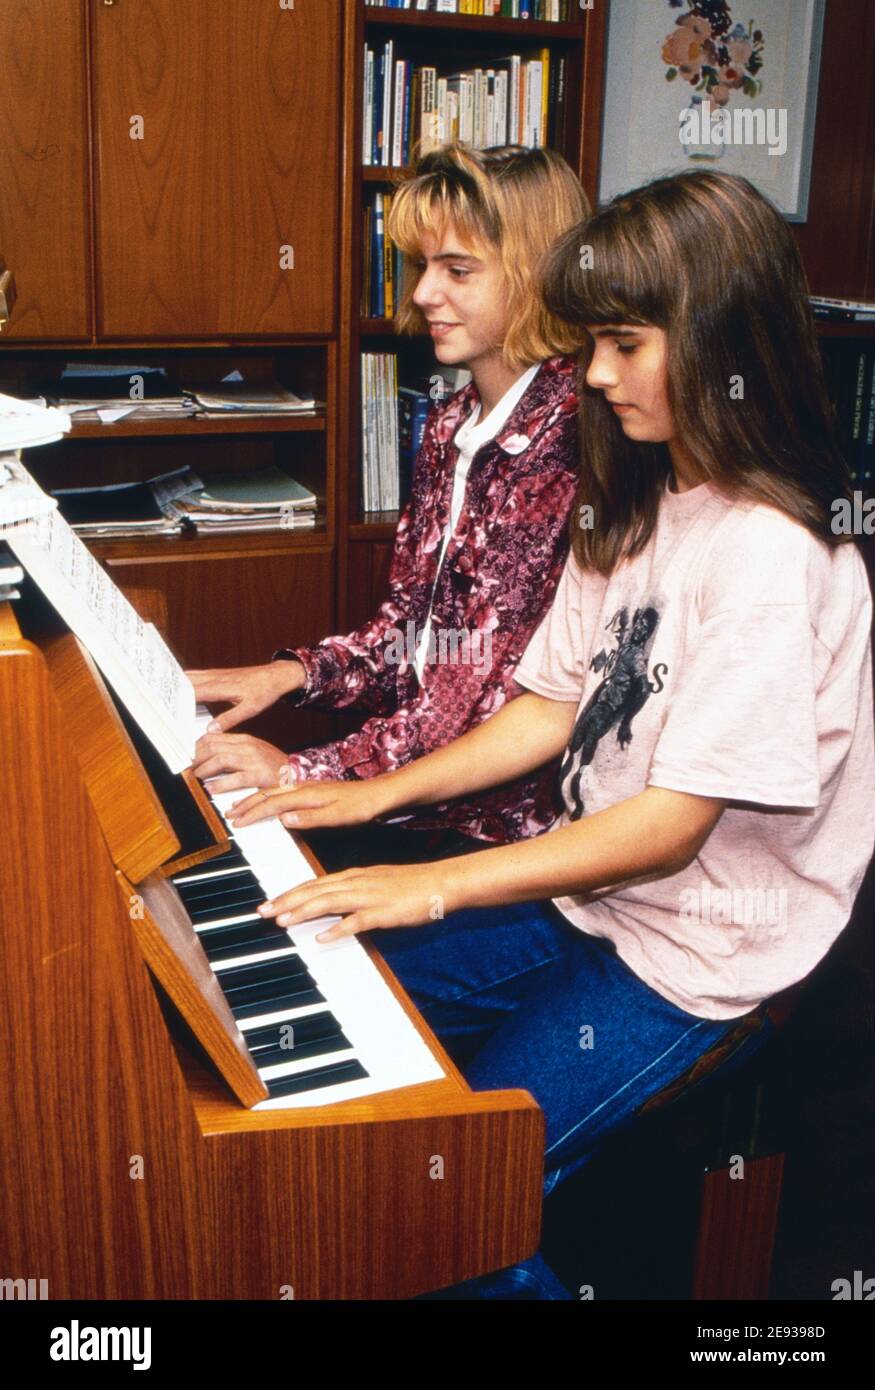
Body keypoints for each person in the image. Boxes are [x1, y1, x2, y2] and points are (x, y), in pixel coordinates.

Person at [223, 169, 875, 1299]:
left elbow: (667, 829)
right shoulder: (636, 498)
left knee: (439, 1202)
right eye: (590, 345)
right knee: (326, 1010)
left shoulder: (770, 554)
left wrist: (428, 886)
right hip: (598, 905)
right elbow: (549, 703)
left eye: (624, 343)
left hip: (703, 953)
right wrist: (362, 800)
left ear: (719, 337)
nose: (598, 374)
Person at [187, 143, 590, 870]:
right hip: (411, 790)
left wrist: (303, 773)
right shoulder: (448, 422)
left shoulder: (571, 439)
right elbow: (411, 634)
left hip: (505, 834)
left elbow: (479, 693)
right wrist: (289, 675)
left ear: (536, 273)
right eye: (422, 266)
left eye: (457, 270)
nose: (424, 294)